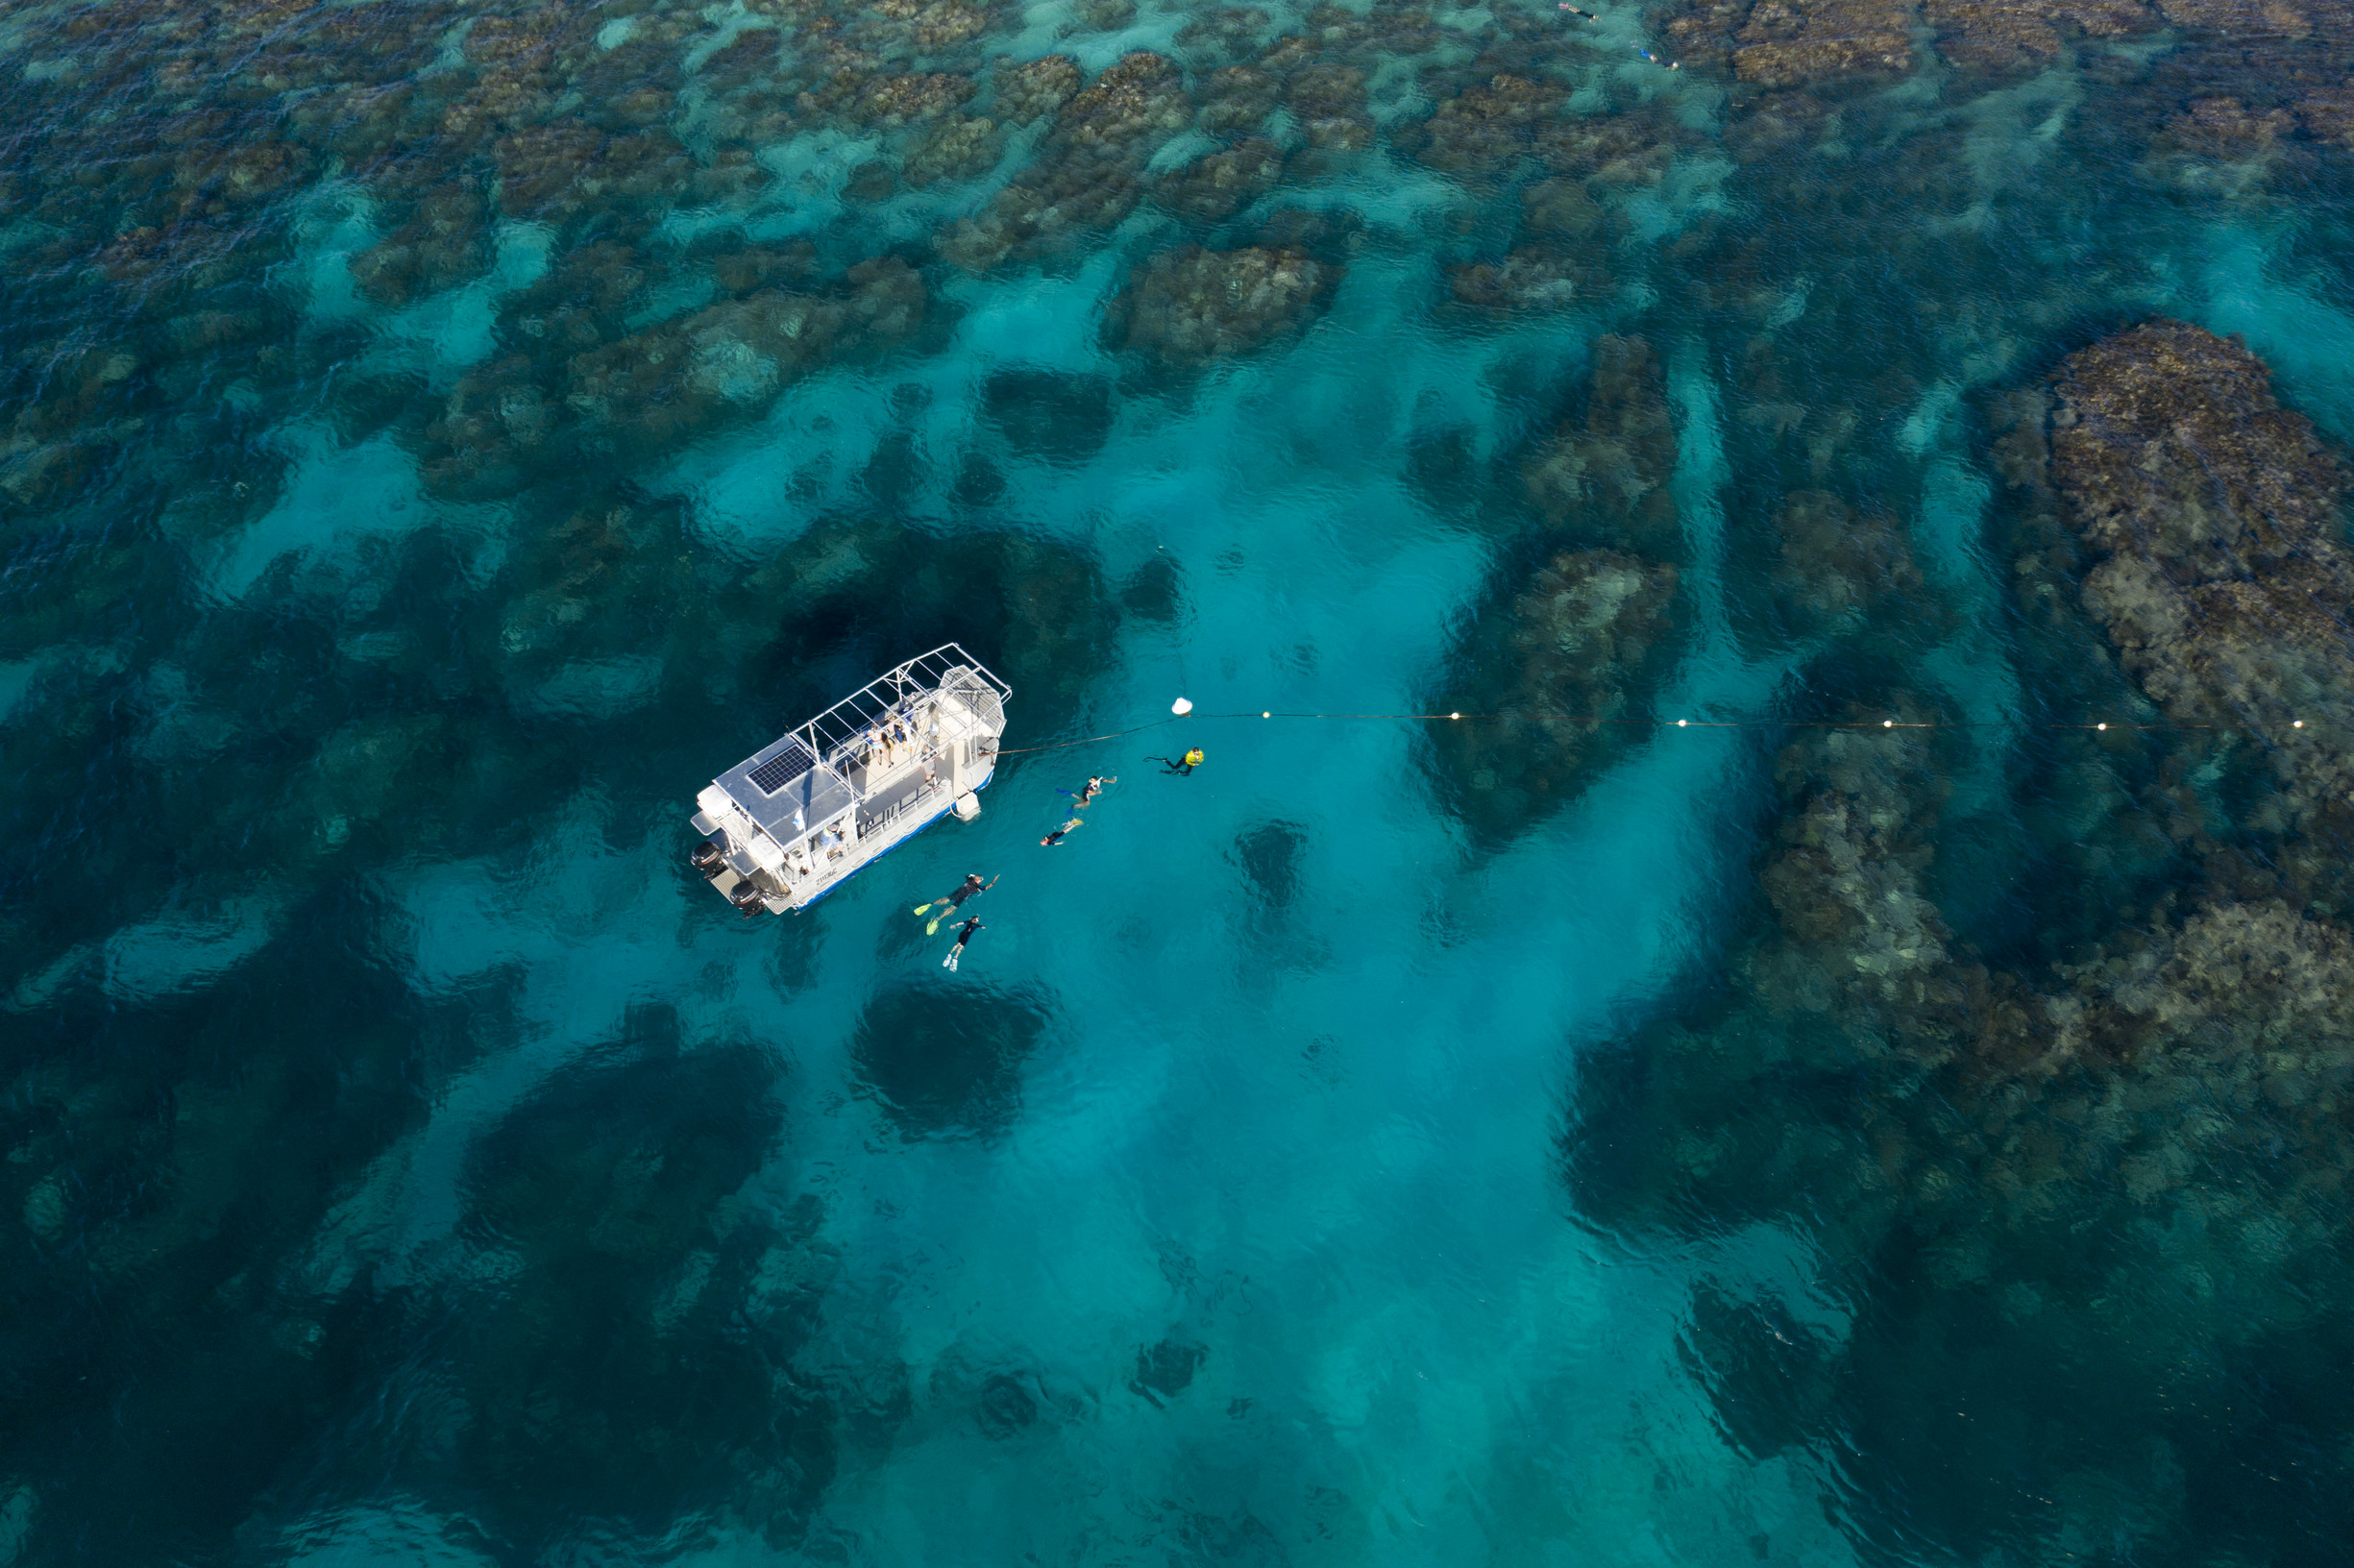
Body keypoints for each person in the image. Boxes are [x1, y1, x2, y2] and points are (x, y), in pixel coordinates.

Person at [915, 872, 991, 933]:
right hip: (961, 898)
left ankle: (929, 905)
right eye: (981, 880)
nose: (982, 880)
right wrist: (994, 881)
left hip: (956, 893)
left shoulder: (969, 880)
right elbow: (987, 887)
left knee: (946, 899)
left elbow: (968, 875)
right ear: (978, 881)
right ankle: (937, 919)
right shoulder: (978, 887)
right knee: (952, 909)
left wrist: (973, 876)